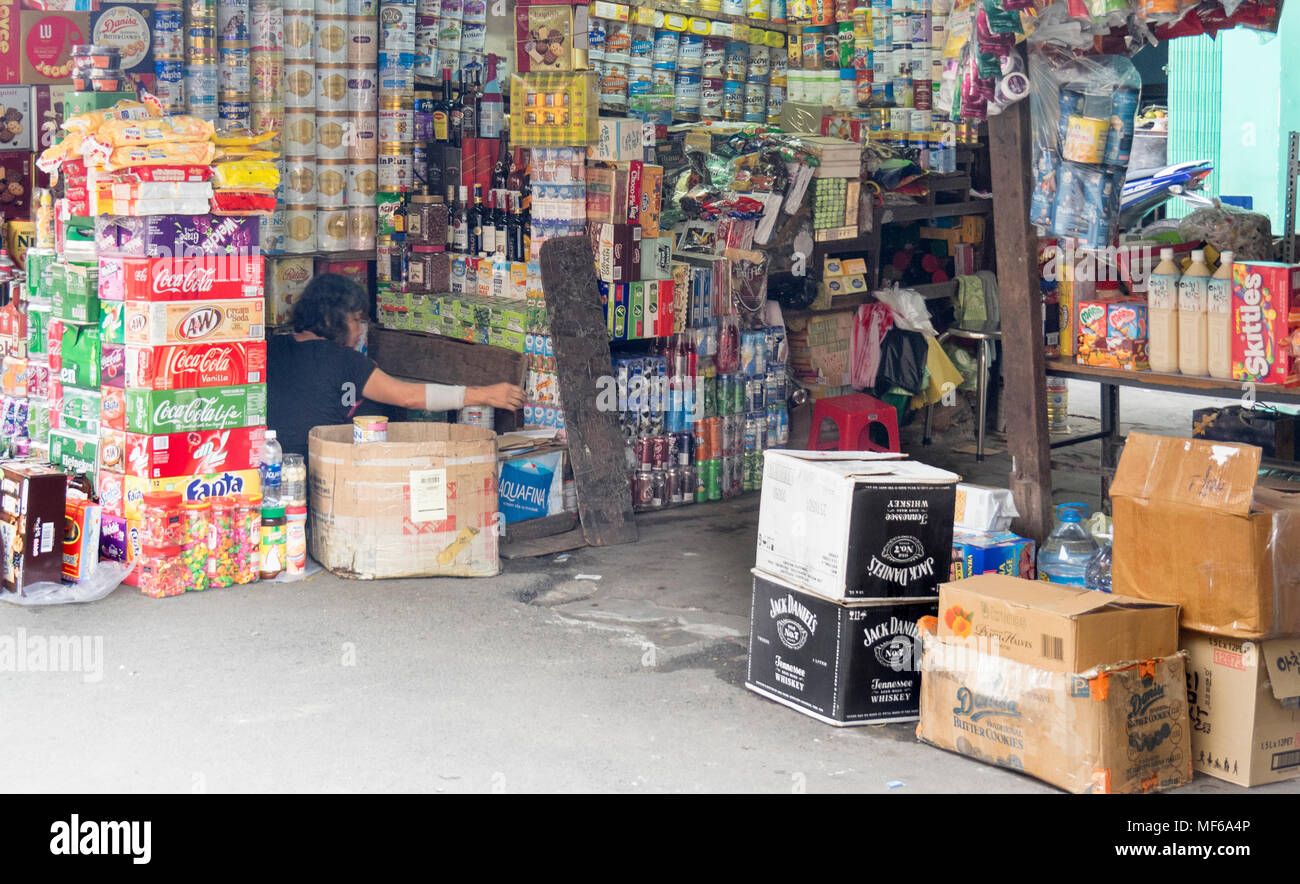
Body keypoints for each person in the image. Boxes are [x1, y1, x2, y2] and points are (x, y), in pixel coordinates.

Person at [267, 273, 526, 456]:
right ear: (330, 317)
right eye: (356, 320)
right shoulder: (344, 360)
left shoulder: (272, 347)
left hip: (273, 467)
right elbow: (407, 397)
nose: (359, 331)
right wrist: (486, 394)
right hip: (318, 472)